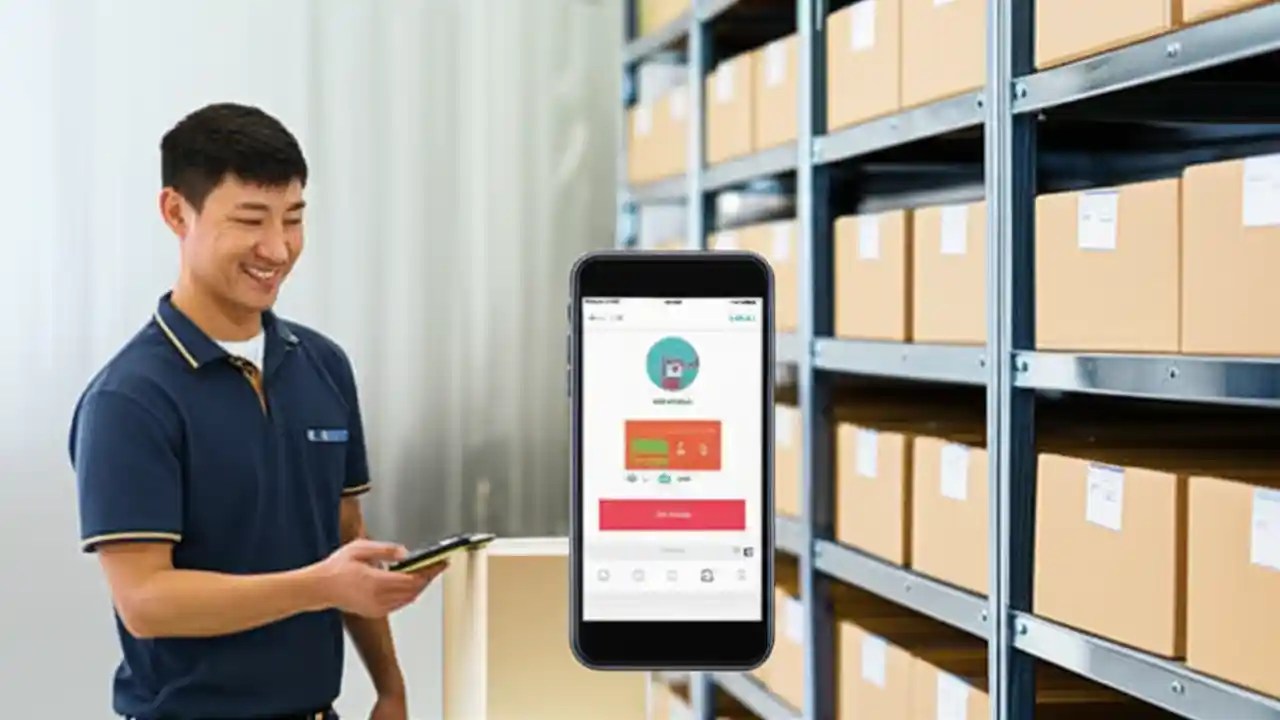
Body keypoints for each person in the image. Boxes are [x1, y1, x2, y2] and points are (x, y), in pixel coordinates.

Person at [68, 102, 442, 720]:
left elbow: (345, 536)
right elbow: (147, 600)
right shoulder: (128, 400)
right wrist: (321, 585)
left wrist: (390, 689)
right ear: (175, 213)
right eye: (250, 220)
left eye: (294, 219)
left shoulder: (323, 365)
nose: (278, 247)